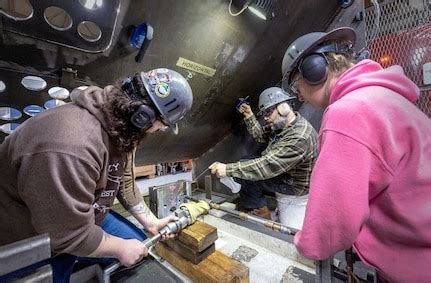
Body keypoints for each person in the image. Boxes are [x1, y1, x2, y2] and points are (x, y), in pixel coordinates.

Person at [0, 68, 193, 281]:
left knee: (138, 248)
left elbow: (122, 179)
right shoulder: (71, 147)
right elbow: (66, 235)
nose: (161, 130)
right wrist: (120, 248)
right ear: (144, 117)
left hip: (77, 216)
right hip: (29, 234)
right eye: (163, 124)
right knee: (59, 270)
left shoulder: (121, 125)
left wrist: (151, 222)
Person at [281, 27, 431, 282]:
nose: (301, 98)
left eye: (298, 87)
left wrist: (306, 244)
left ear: (315, 70)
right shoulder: (388, 98)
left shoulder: (348, 112)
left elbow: (330, 225)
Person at [211, 87, 317, 228]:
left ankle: (259, 215)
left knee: (251, 176)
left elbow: (266, 166)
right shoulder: (283, 125)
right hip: (287, 176)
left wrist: (228, 169)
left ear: (283, 108)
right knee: (246, 161)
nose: (265, 118)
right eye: (264, 113)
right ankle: (255, 206)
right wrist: (249, 115)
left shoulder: (299, 137)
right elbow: (260, 135)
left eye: (268, 112)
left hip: (294, 187)